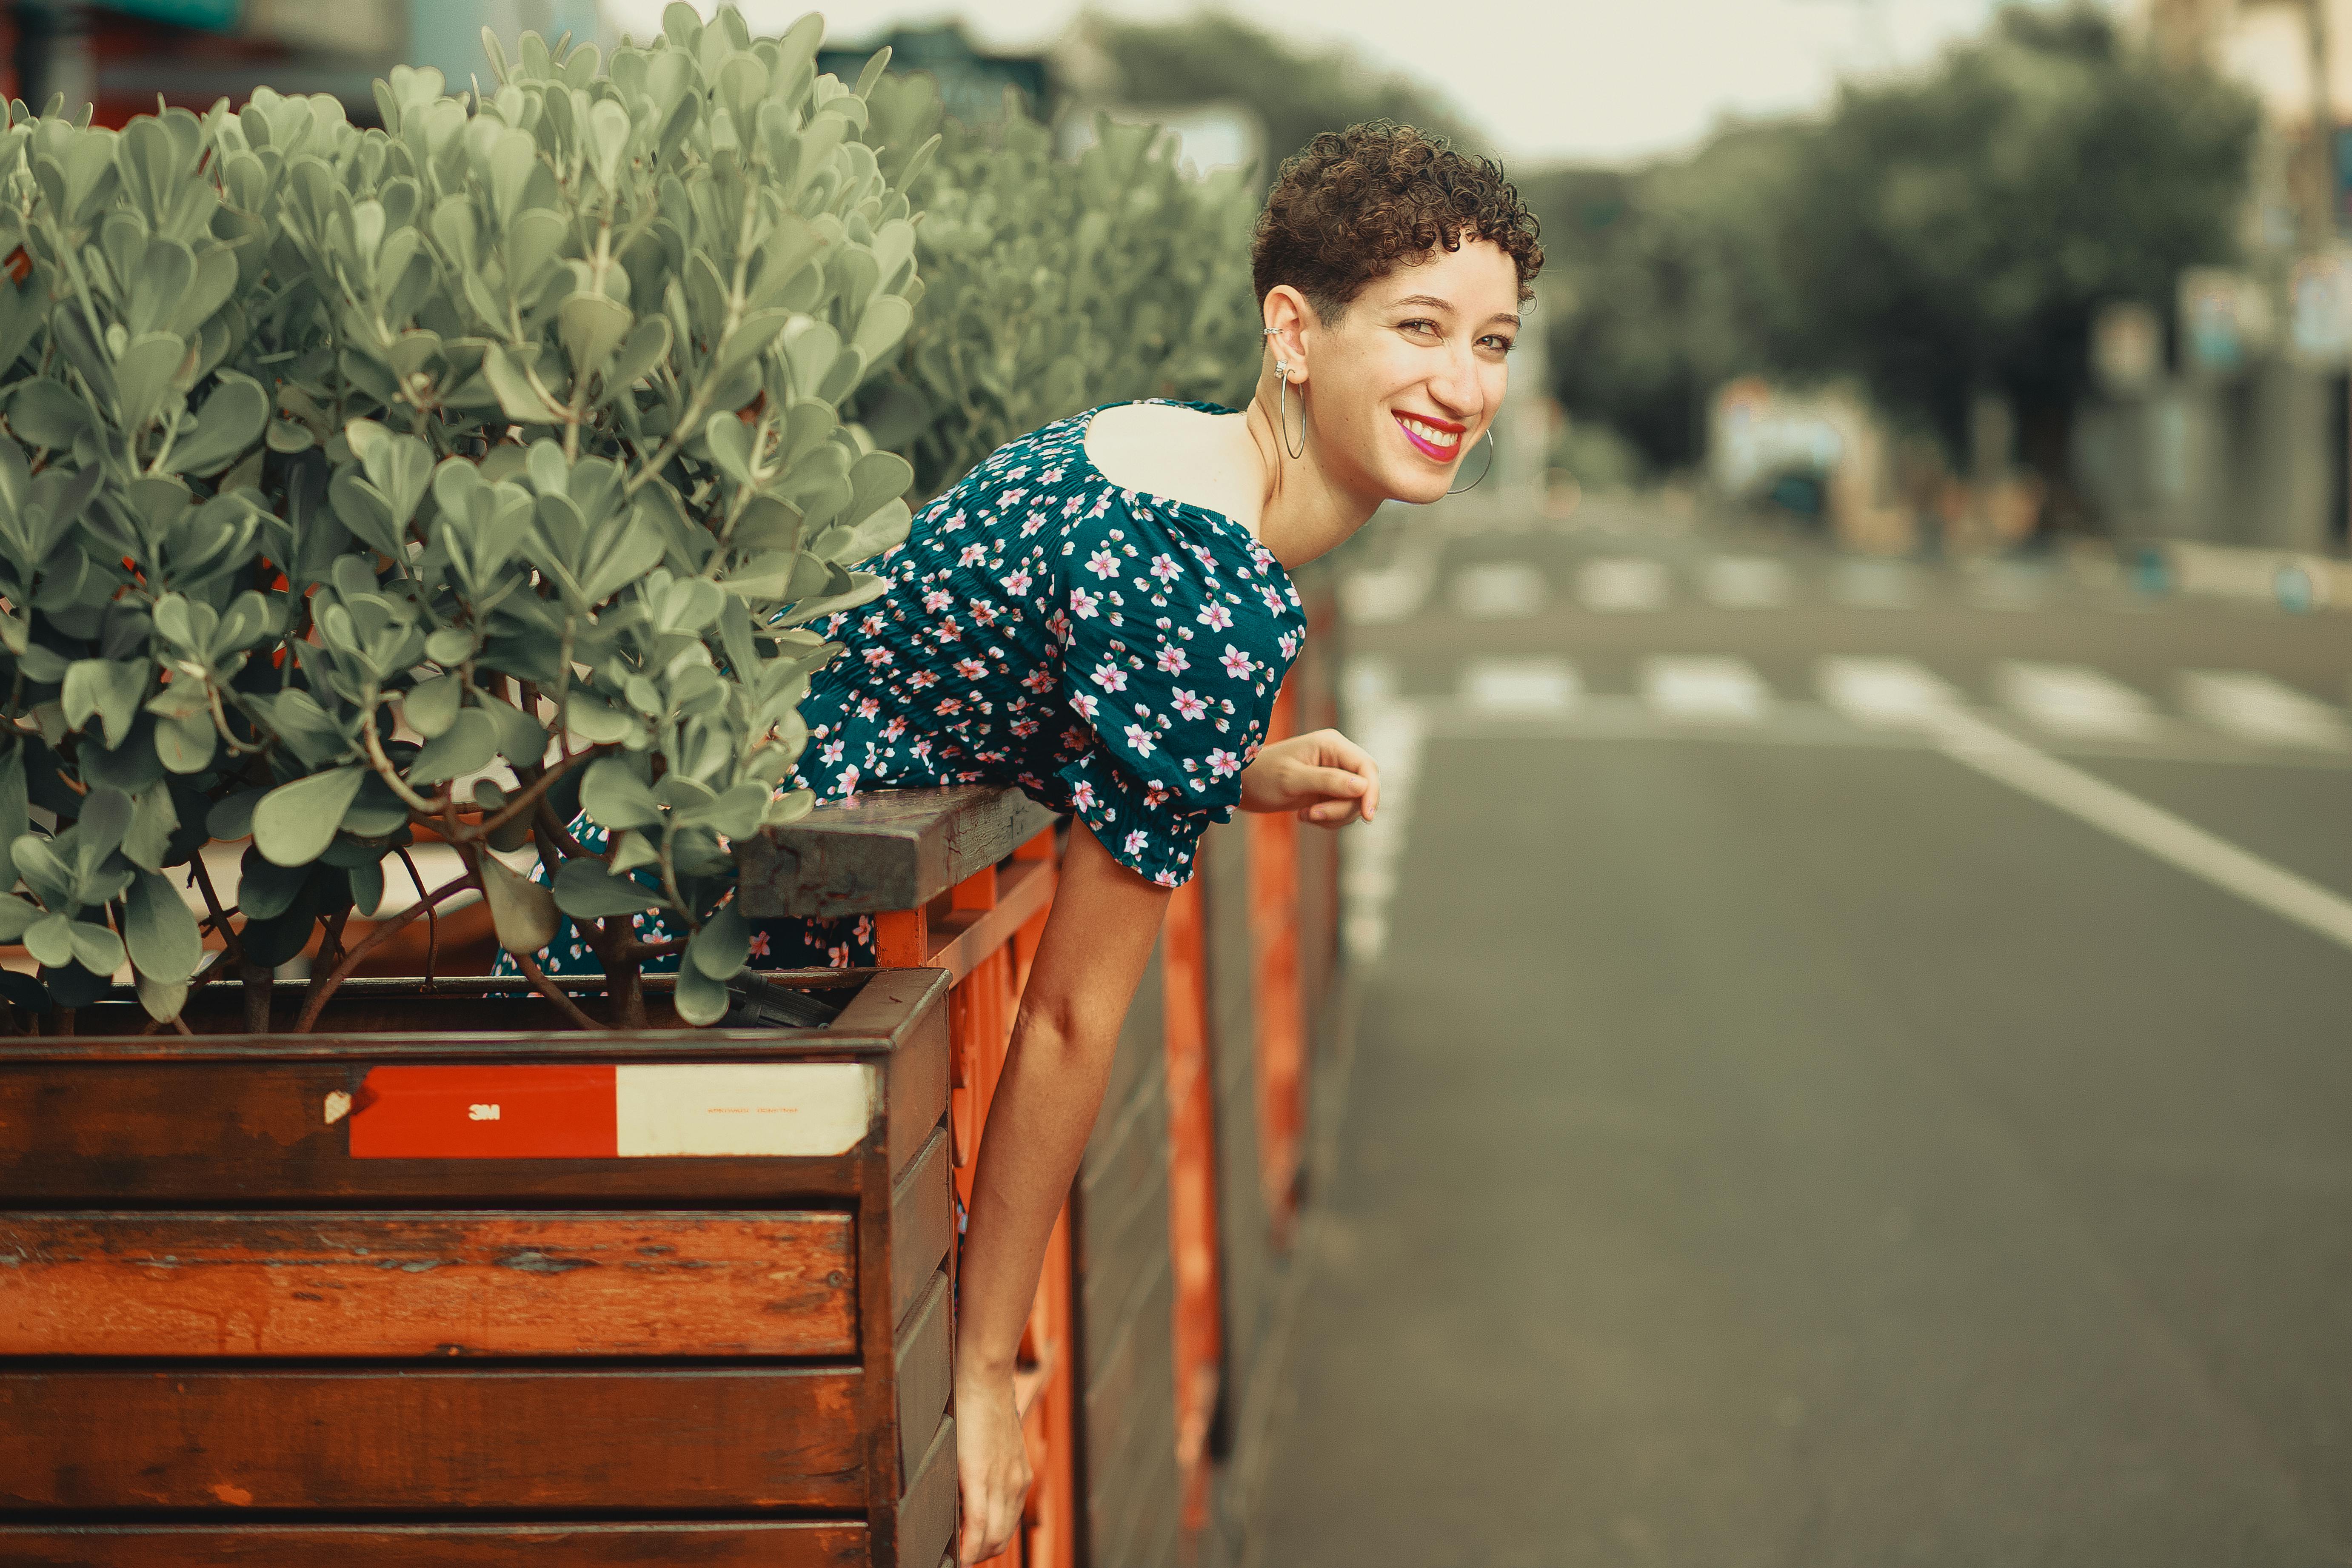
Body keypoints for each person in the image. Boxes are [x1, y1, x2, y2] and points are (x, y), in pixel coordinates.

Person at [499, 120, 1541, 1563]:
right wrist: (983, 1376)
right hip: (726, 978)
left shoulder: (1158, 449)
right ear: (1295, 334)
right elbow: (1065, 1020)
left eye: (1493, 342)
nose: (1463, 385)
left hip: (636, 861)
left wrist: (1230, 772)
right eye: (1421, 330)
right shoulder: (1211, 588)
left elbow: (997, 679)